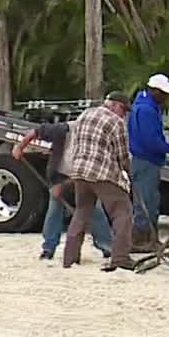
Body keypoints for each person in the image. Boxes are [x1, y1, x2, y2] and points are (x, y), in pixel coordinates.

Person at [13, 121, 112, 261]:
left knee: (95, 209)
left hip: (83, 175)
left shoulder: (96, 139)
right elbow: (38, 130)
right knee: (55, 209)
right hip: (60, 173)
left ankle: (107, 246)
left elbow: (90, 169)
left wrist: (64, 186)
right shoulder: (65, 129)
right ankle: (48, 248)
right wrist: (20, 146)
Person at [63, 91, 135, 271]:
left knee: (81, 213)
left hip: (79, 171)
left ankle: (70, 258)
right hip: (102, 173)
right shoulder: (115, 122)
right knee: (122, 212)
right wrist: (128, 171)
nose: (124, 115)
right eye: (124, 110)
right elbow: (122, 154)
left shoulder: (85, 114)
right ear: (117, 105)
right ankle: (120, 258)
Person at [128, 73, 169, 251]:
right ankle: (141, 240)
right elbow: (149, 139)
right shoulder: (146, 110)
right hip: (145, 160)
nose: (166, 97)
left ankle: (150, 238)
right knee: (145, 201)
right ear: (154, 91)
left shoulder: (147, 106)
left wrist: (163, 126)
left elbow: (151, 129)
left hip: (147, 160)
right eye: (163, 93)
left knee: (151, 200)